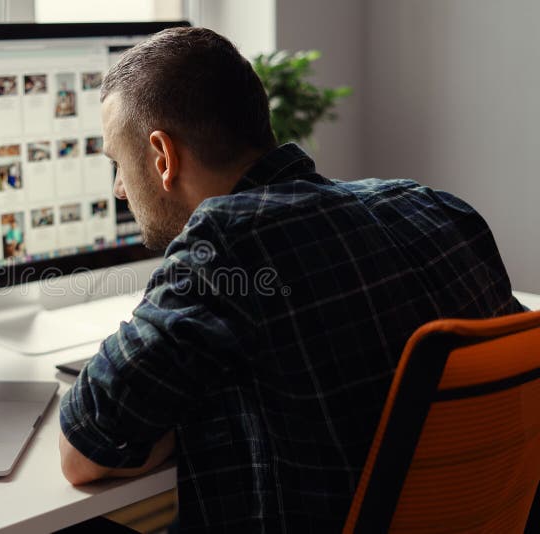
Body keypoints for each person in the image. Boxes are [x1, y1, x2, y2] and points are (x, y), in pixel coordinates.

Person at [57, 27, 526, 533]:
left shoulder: (228, 243)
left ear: (163, 157)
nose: (120, 189)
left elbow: (82, 450)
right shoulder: (437, 209)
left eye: (118, 163)